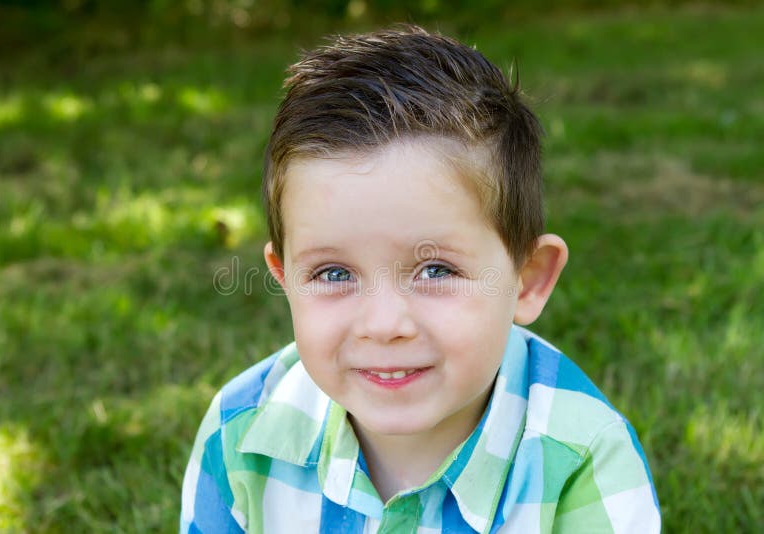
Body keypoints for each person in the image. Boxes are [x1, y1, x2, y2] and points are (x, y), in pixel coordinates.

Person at [180, 26, 660, 533]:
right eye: (334, 273)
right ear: (286, 279)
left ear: (527, 279)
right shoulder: (241, 432)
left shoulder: (580, 456)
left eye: (436, 270)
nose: (384, 325)